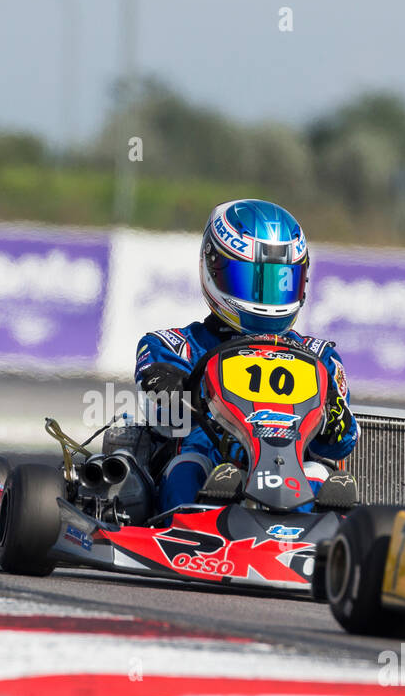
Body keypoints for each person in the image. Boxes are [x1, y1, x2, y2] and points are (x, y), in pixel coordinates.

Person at [134, 199, 357, 512]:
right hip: (210, 461)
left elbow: (343, 442)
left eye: (279, 281)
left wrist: (334, 418)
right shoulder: (176, 346)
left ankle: (310, 537)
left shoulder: (320, 356)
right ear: (213, 268)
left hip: (292, 473)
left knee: (320, 473)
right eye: (252, 281)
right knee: (188, 464)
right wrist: (173, 388)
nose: (266, 298)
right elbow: (166, 417)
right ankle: (189, 530)